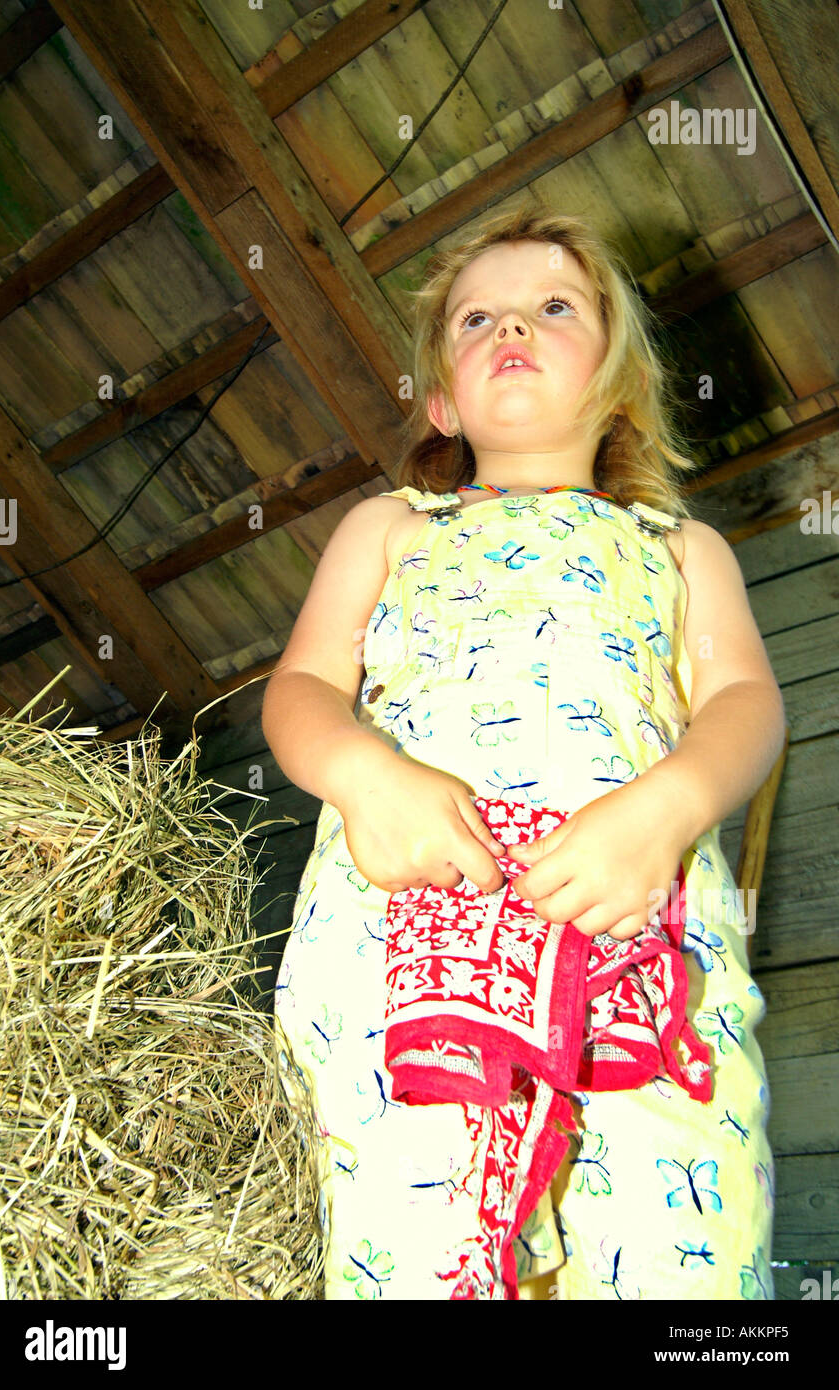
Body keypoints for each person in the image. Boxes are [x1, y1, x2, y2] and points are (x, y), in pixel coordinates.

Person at [262, 202, 785, 1301]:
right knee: (415, 1243)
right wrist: (364, 774)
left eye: (554, 307)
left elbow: (745, 702)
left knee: (681, 1234)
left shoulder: (682, 549)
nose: (511, 326)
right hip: (400, 940)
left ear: (618, 383)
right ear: (446, 398)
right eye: (475, 319)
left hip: (639, 932)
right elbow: (304, 688)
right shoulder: (390, 527)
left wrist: (671, 805)